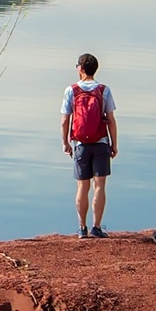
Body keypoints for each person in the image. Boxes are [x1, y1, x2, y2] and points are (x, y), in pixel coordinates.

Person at [61, 53, 118, 238]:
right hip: (101, 142)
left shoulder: (71, 90)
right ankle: (97, 227)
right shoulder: (104, 90)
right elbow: (111, 120)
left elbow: (65, 120)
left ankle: (82, 229)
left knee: (82, 187)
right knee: (100, 186)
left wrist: (65, 143)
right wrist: (114, 144)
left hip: (80, 144)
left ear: (81, 69)